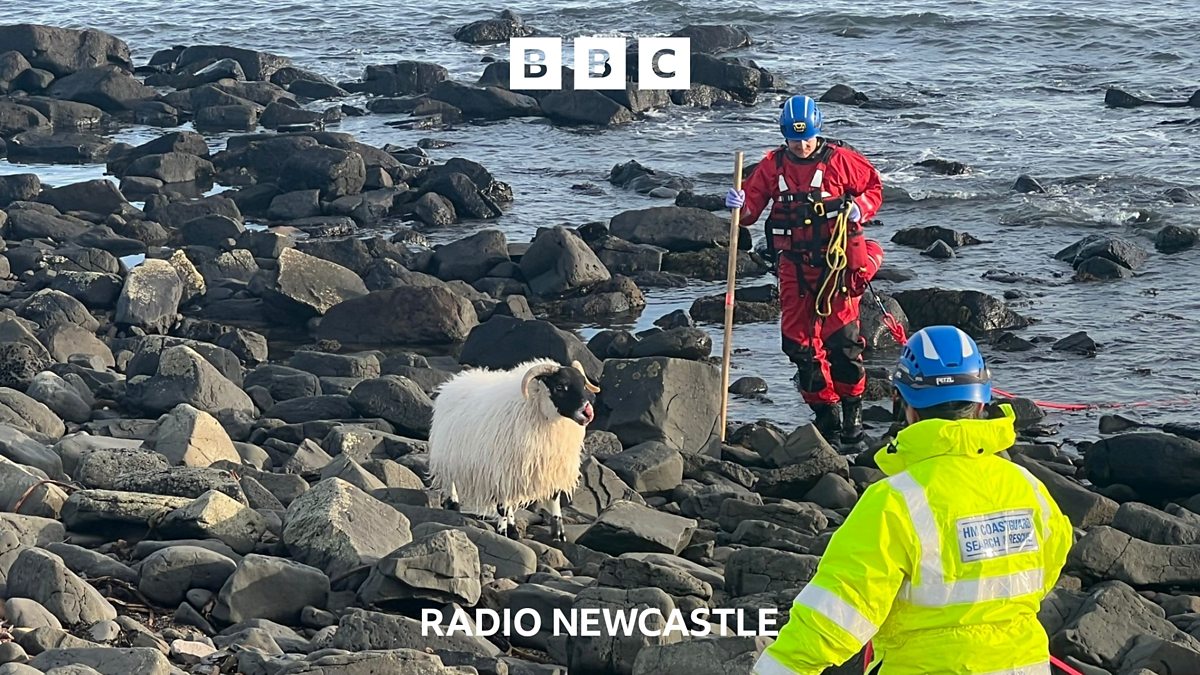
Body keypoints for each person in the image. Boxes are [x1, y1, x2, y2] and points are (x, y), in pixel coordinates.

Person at [750, 325, 1074, 675]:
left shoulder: (895, 502)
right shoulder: (1028, 487)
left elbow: (834, 615)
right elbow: (1047, 568)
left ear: (905, 406)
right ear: (982, 403)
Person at [726, 94, 884, 448]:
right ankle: (824, 413)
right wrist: (739, 203)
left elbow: (873, 187)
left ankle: (852, 414)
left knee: (842, 344)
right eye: (794, 139)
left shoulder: (842, 161)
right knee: (798, 345)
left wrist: (861, 207)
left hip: (835, 266)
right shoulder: (772, 165)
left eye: (807, 138)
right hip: (793, 267)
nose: (801, 145)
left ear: (818, 131)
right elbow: (750, 211)